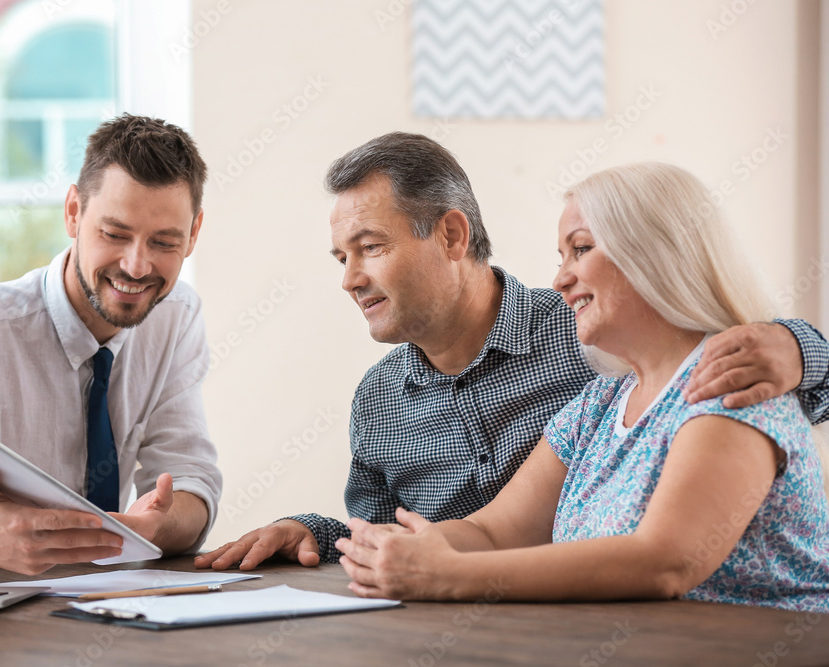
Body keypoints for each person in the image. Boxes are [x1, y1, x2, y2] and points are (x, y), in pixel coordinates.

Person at [197, 133, 829, 573]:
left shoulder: (596, 337)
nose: (350, 279)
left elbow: (738, 364)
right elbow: (404, 544)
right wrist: (323, 532)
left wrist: (797, 347)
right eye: (343, 258)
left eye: (370, 247)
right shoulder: (378, 401)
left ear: (450, 234)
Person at [336, 162, 829, 612]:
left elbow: (663, 562)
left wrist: (447, 574)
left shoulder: (730, 380)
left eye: (582, 249)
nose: (560, 279)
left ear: (660, 254)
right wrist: (392, 552)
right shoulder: (602, 399)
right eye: (562, 255)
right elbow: (490, 530)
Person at [0, 114, 221, 575]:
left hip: (111, 613)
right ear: (73, 212)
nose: (137, 266)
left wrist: (154, 528)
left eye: (164, 242)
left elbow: (190, 479)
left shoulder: (176, 316)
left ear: (194, 235)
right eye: (114, 234)